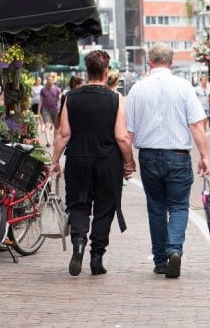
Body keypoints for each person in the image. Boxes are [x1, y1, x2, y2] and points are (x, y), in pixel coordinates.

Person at [125, 43, 210, 278]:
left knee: (156, 208)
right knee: (179, 205)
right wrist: (204, 156)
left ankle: (161, 260)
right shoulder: (183, 87)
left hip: (149, 156)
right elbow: (196, 124)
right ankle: (174, 249)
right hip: (178, 155)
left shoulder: (137, 89)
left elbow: (128, 133)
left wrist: (128, 161)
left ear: (149, 61)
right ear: (171, 62)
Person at [50, 50, 136, 276]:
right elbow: (121, 137)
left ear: (87, 71)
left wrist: (54, 160)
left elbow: (63, 133)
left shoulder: (71, 97)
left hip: (78, 159)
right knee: (105, 208)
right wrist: (129, 162)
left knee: (78, 204)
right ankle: (96, 257)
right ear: (106, 72)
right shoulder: (116, 99)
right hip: (108, 161)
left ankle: (78, 244)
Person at [39, 73, 61, 147]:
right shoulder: (43, 90)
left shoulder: (57, 89)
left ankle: (54, 140)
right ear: (46, 81)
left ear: (53, 81)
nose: (49, 81)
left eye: (51, 80)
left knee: (56, 126)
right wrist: (39, 111)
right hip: (46, 109)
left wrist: (61, 109)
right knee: (47, 125)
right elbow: (41, 100)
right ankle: (48, 141)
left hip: (55, 109)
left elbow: (60, 99)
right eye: (48, 80)